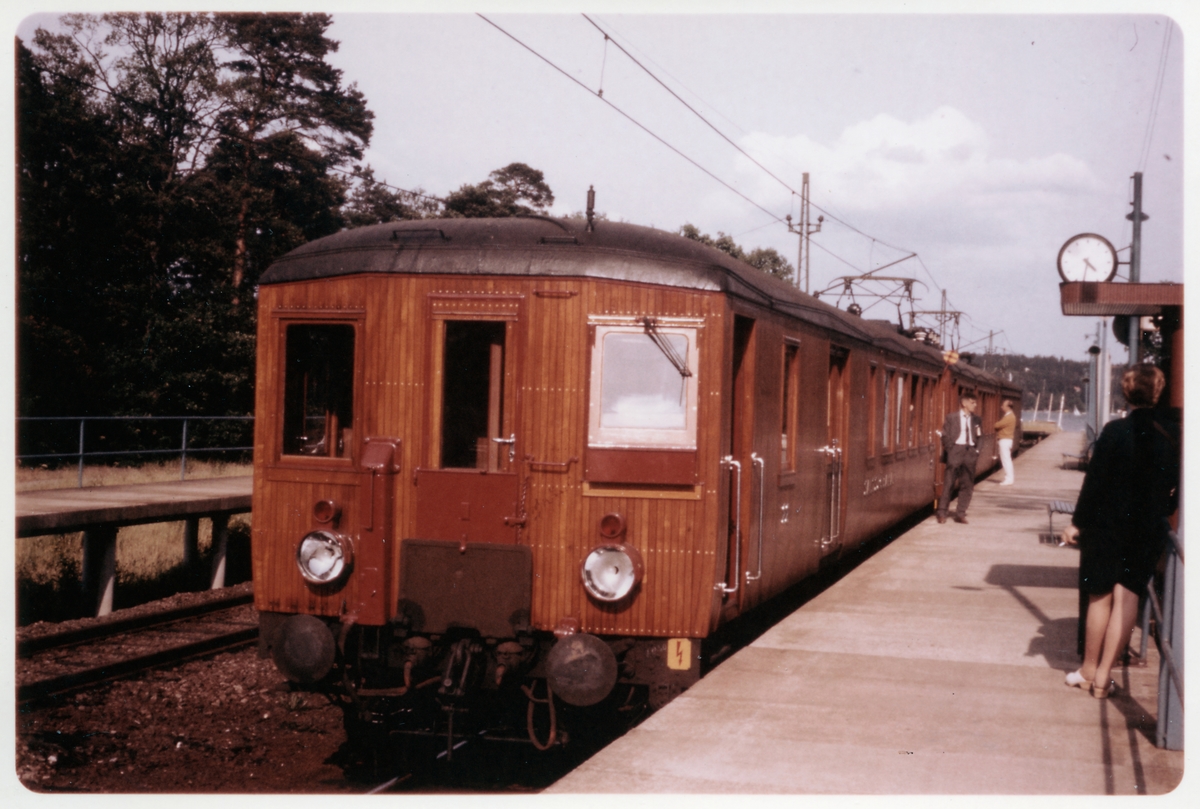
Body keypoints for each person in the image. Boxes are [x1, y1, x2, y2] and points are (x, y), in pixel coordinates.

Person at [1061, 365, 1179, 699]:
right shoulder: (1172, 435)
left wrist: (1076, 522)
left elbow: (1094, 482)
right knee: (1128, 597)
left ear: (1127, 393)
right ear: (1157, 392)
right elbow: (1176, 488)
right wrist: (1163, 510)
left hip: (1105, 526)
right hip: (1146, 528)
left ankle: (1087, 670)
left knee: (1099, 597)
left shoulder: (1114, 431)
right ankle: (1103, 679)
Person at [936, 391, 982, 524]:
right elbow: (945, 435)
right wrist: (951, 450)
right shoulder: (951, 417)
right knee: (949, 483)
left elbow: (980, 436)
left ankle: (960, 513)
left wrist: (976, 451)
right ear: (964, 403)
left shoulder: (977, 419)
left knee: (967, 484)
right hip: (956, 451)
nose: (975, 405)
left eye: (975, 402)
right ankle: (942, 513)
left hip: (970, 453)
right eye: (972, 402)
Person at [994, 399, 1016, 485]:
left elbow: (997, 425)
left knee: (1005, 460)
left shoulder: (1009, 417)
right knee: (1007, 460)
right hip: (1006, 440)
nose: (1001, 407)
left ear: (1008, 407)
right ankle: (1009, 478)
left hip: (1005, 440)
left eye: (1003, 405)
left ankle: (1009, 479)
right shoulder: (1010, 416)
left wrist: (997, 424)